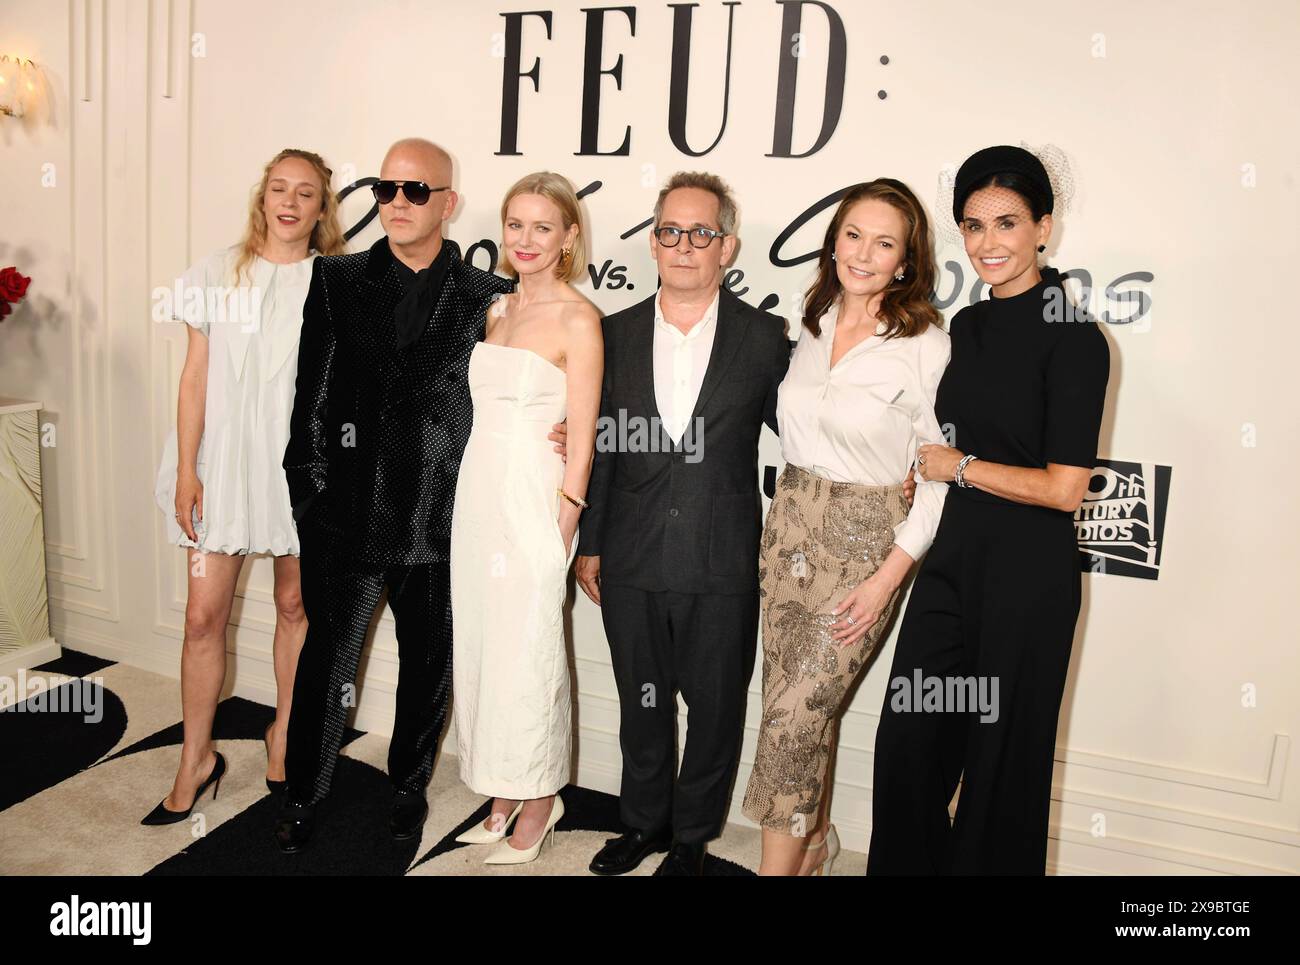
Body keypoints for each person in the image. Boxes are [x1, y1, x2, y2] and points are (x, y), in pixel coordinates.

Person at [271, 139, 567, 853]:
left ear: (448, 203)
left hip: (445, 524)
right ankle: (305, 793)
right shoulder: (336, 279)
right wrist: (311, 500)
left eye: (413, 190)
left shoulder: (488, 298)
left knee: (428, 671)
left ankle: (408, 785)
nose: (396, 203)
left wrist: (559, 427)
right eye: (384, 189)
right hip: (345, 521)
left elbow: (532, 377)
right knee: (325, 668)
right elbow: (308, 400)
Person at [867, 145, 1110, 875]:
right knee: (909, 750)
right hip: (951, 562)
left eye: (1007, 223)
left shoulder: (1076, 337)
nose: (988, 243)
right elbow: (949, 444)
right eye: (972, 226)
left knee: (1002, 775)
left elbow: (1066, 488)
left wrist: (962, 467)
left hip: (1027, 579)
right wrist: (930, 473)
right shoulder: (967, 328)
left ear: (1044, 226)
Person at [575, 172, 792, 875]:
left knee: (716, 707)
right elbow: (602, 447)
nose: (684, 245)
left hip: (722, 556)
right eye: (670, 230)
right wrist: (592, 543)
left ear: (727, 245)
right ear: (653, 240)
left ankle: (694, 835)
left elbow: (805, 435)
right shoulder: (614, 332)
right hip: (632, 555)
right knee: (641, 700)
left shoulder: (765, 340)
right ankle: (641, 822)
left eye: (701, 233)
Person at [741, 179, 950, 875]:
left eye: (884, 242)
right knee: (790, 707)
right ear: (834, 240)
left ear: (905, 261)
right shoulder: (811, 322)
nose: (864, 253)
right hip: (788, 533)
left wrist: (890, 575)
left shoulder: (926, 344)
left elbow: (937, 471)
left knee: (790, 720)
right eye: (854, 234)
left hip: (863, 548)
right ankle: (816, 839)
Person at [144, 149, 345, 825]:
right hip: (222, 467)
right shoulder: (213, 271)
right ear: (264, 197)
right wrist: (186, 467)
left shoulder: (334, 282)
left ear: (322, 209)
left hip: (300, 471)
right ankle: (194, 756)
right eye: (280, 189)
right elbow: (195, 377)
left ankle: (284, 734)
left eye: (307, 193)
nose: (290, 202)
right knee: (202, 616)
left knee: (296, 607)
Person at [449, 172, 602, 865]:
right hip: (479, 494)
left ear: (569, 237)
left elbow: (585, 429)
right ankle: (501, 785)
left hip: (536, 499)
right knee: (484, 642)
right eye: (516, 225)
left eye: (544, 227)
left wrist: (564, 523)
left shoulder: (580, 319)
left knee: (531, 648)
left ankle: (540, 796)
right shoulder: (496, 310)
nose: (527, 240)